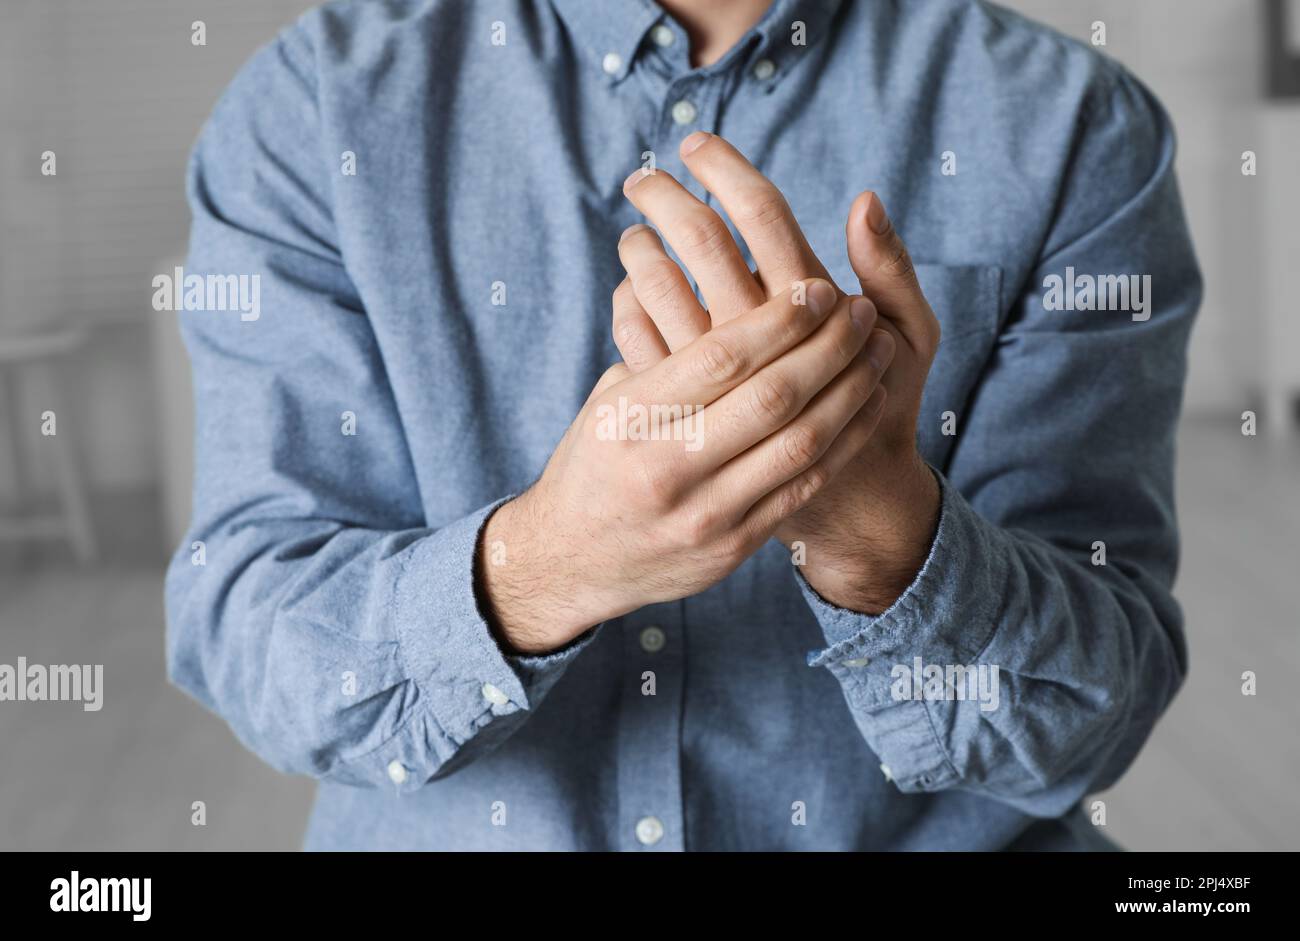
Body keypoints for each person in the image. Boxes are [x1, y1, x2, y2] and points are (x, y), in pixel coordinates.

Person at [165, 0, 1201, 850]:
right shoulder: (313, 109)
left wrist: (883, 540)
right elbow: (249, 621)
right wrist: (546, 564)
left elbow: (1095, 714)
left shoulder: (1069, 123)